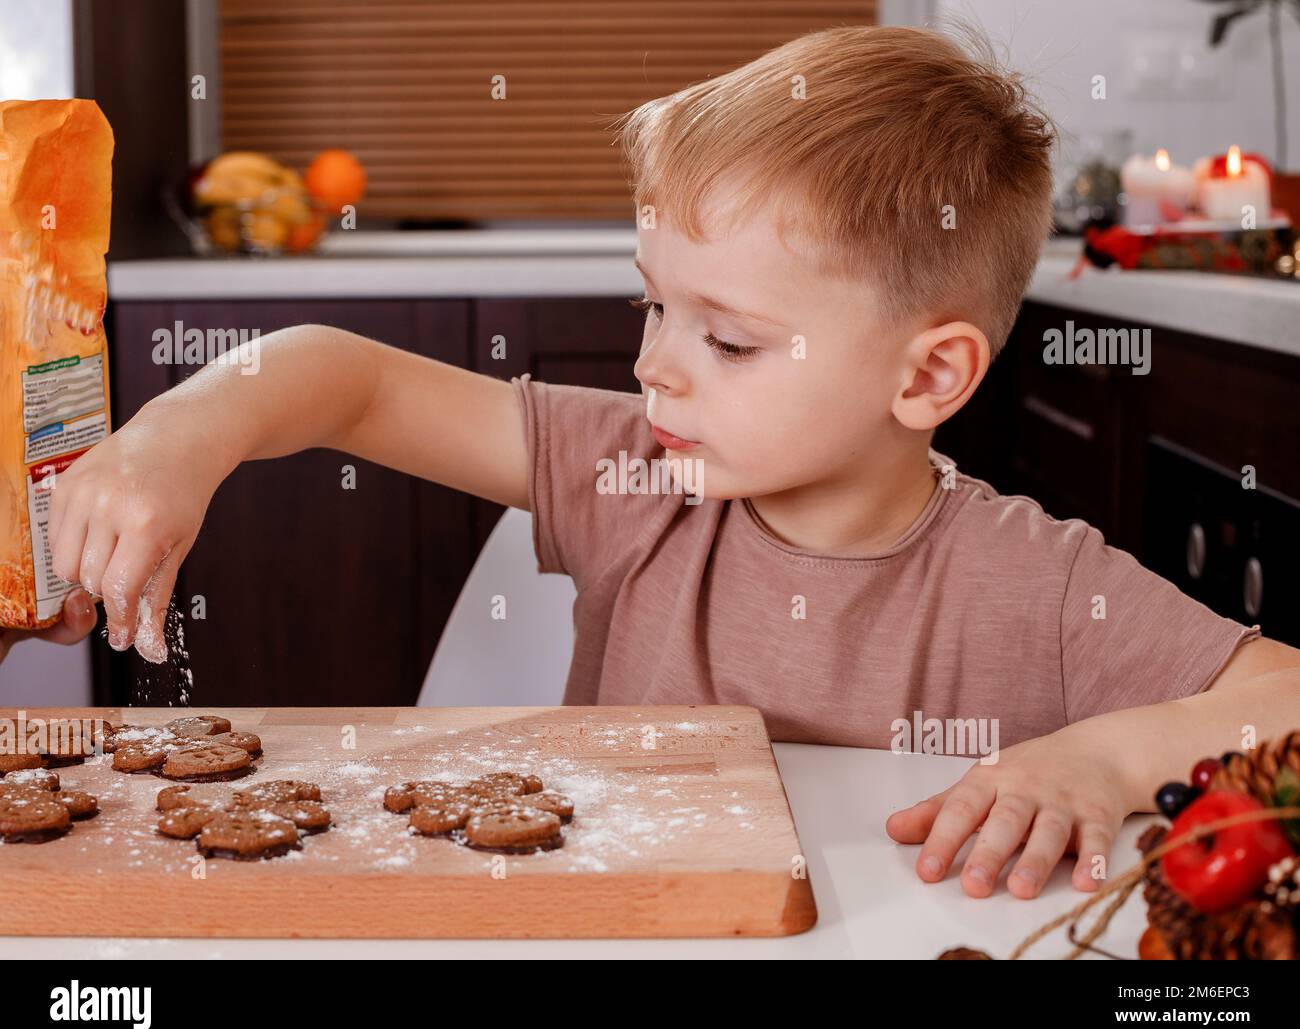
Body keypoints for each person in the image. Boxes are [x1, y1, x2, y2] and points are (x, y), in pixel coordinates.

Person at [44, 25, 1300, 899]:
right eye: (655, 308)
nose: (656, 369)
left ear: (926, 378)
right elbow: (342, 372)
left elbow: (1282, 693)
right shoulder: (628, 474)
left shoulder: (1036, 584)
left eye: (728, 339)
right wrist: (177, 438)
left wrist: (1110, 754)